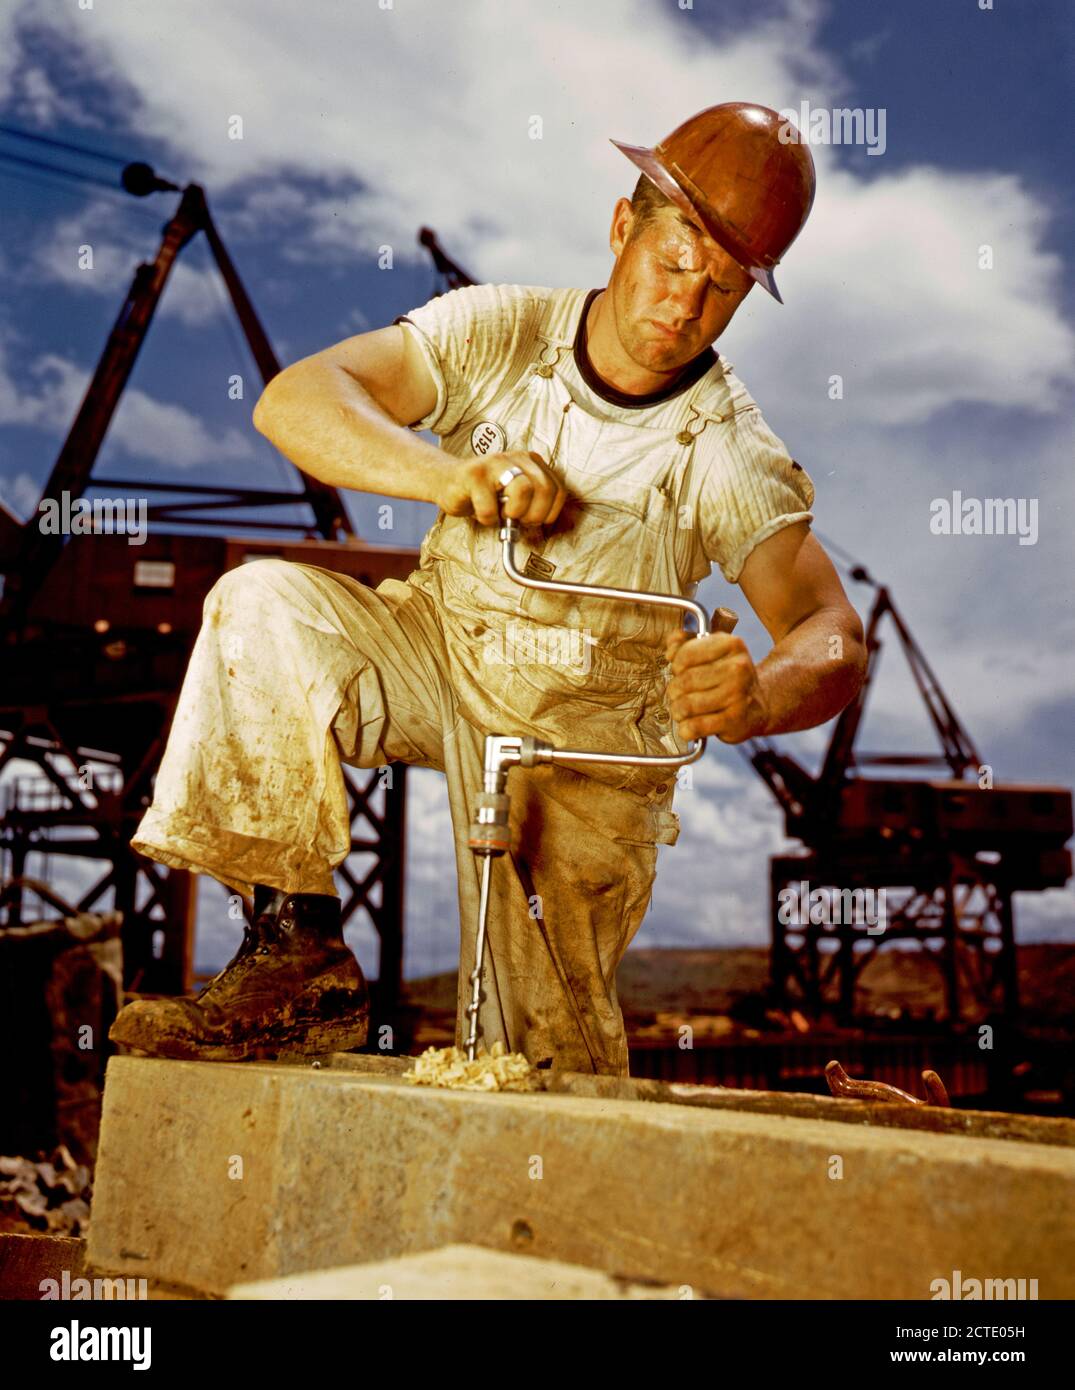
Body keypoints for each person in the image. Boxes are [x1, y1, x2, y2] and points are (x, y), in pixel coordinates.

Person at [110, 103, 866, 1075]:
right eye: (674, 263)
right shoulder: (500, 331)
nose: (683, 306)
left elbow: (830, 629)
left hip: (580, 751)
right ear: (621, 226)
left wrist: (761, 695)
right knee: (262, 609)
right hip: (438, 652)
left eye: (718, 291)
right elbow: (294, 397)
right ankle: (295, 959)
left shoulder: (725, 450)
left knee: (540, 1065)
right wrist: (444, 476)